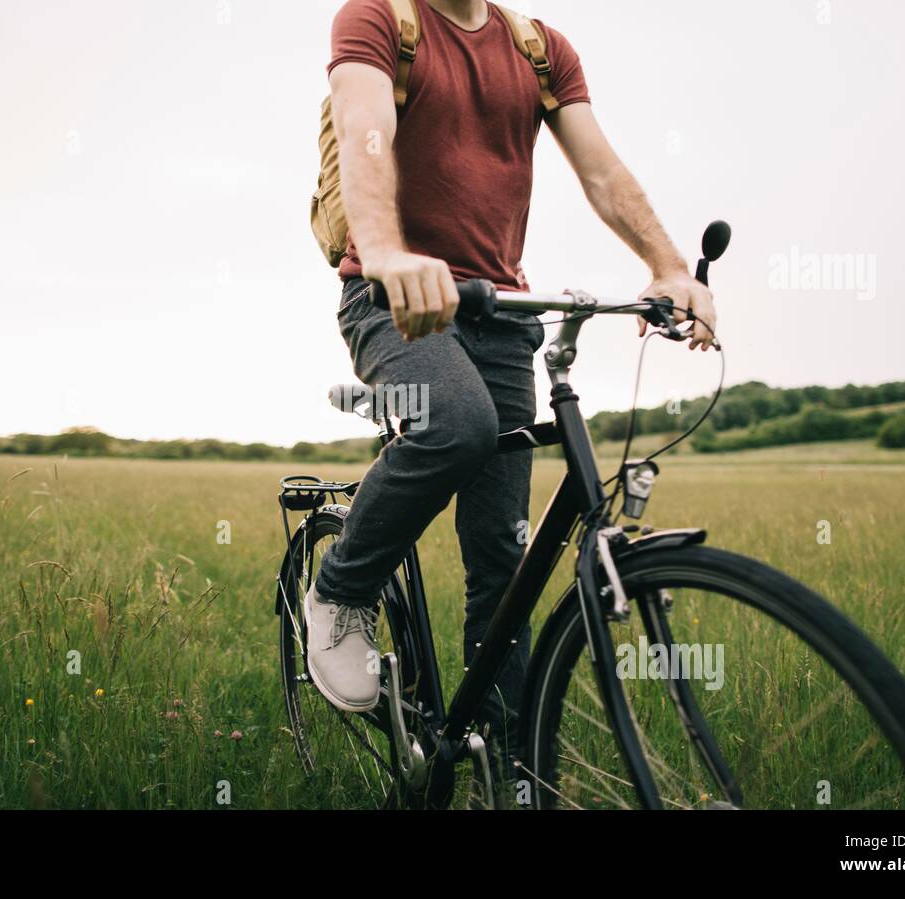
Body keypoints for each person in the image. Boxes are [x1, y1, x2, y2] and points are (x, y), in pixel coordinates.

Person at [305, 0, 717, 773]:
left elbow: (600, 171)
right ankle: (340, 587)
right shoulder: (378, 19)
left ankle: (511, 757)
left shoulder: (538, 50)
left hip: (502, 314)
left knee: (504, 550)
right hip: (393, 299)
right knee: (456, 424)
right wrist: (388, 252)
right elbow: (366, 133)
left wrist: (664, 262)